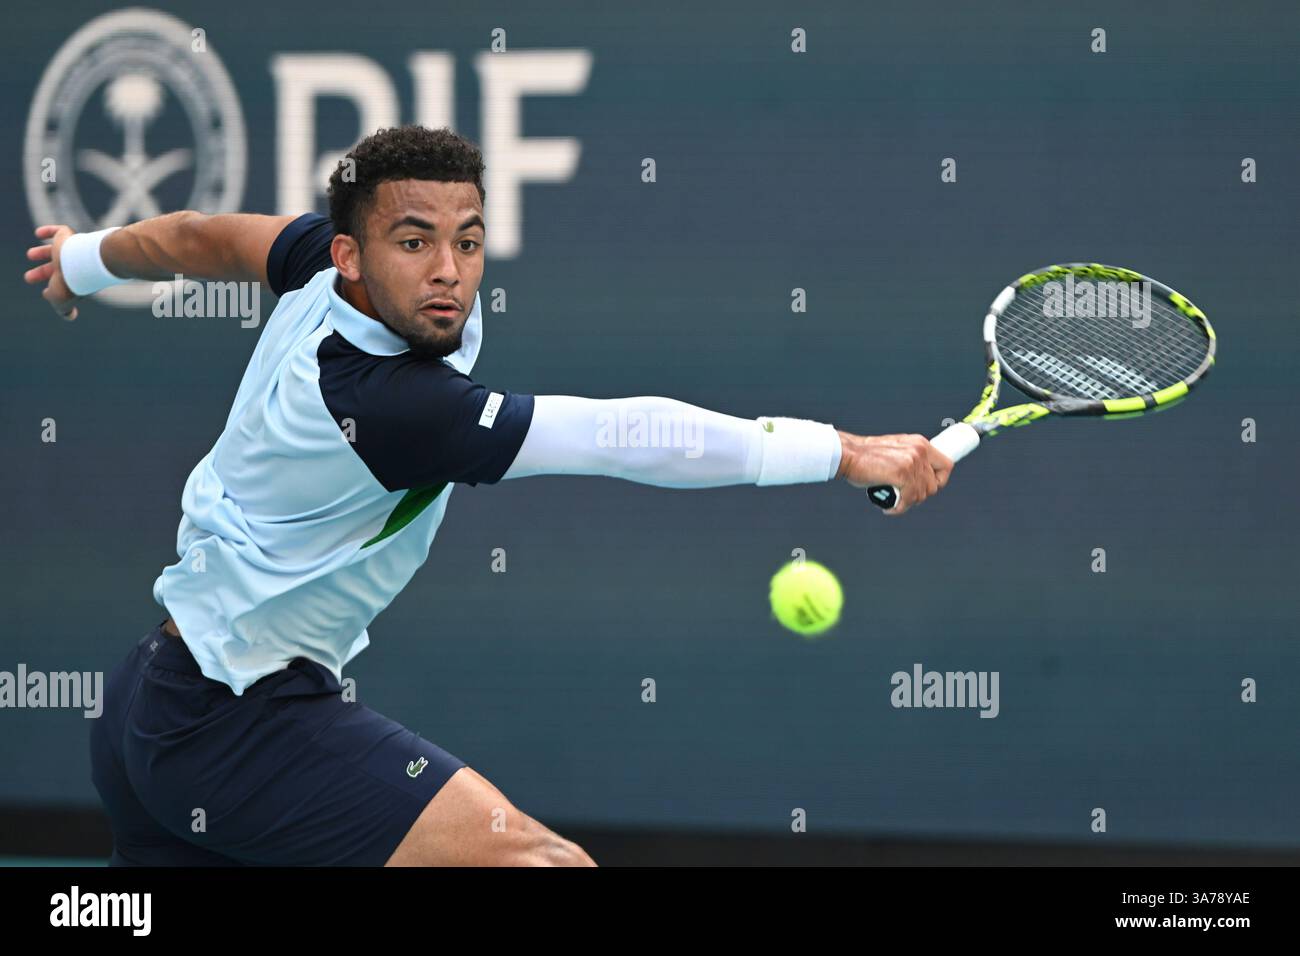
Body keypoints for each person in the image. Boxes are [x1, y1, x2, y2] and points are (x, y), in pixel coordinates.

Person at [24, 125, 952, 866]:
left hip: (150, 702)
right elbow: (619, 435)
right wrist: (837, 451)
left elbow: (201, 238)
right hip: (234, 726)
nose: (448, 272)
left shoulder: (320, 271)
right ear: (352, 253)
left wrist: (88, 258)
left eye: (467, 243)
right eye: (415, 242)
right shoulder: (389, 404)